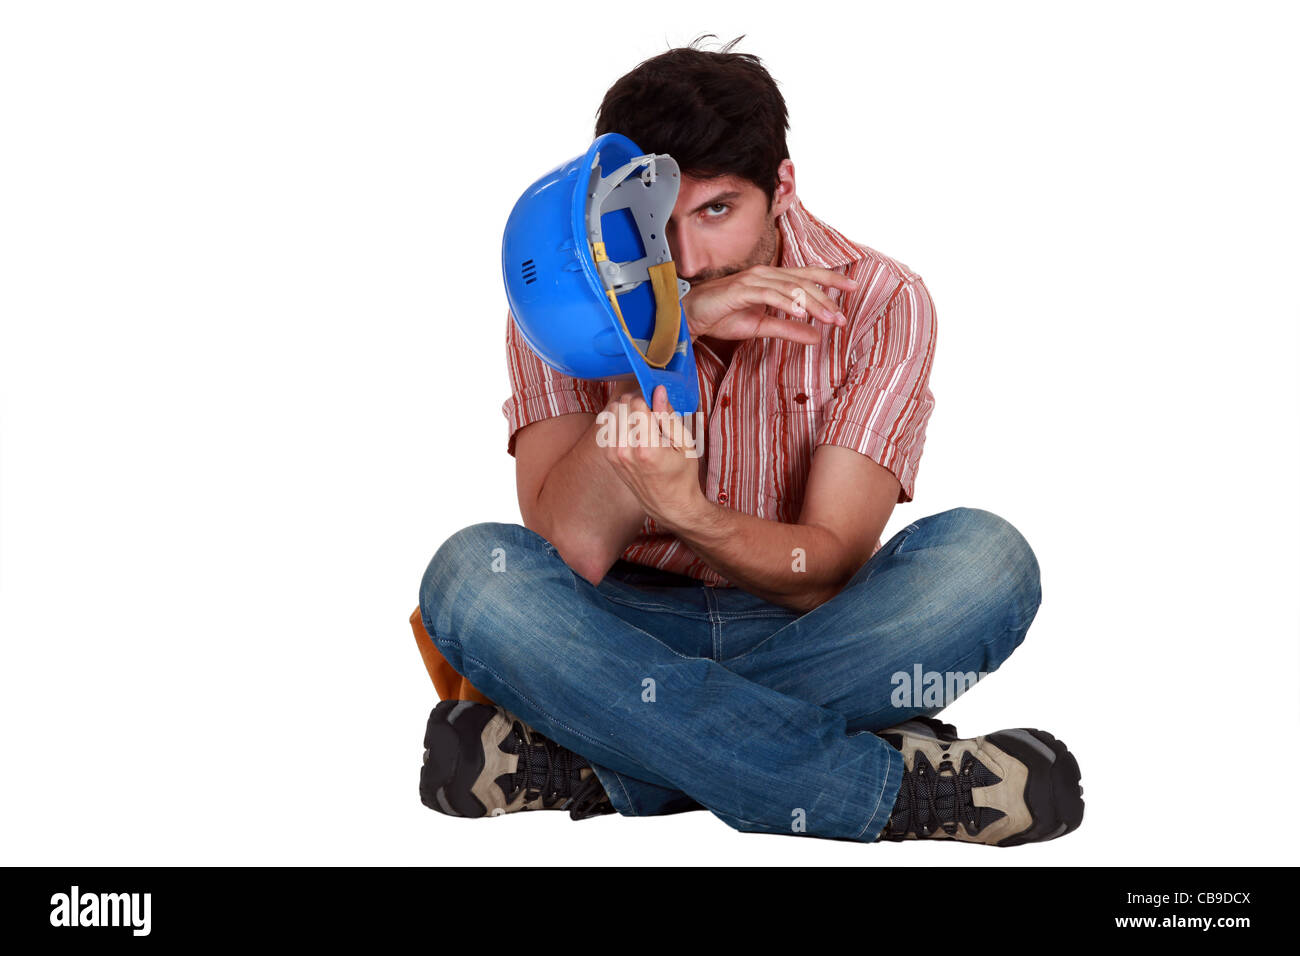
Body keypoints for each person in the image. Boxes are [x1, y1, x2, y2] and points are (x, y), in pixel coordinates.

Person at [416, 35, 1084, 845]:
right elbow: (572, 549)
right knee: (473, 578)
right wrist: (668, 336)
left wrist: (691, 514)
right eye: (656, 224)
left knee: (987, 563)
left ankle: (590, 758)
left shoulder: (882, 300)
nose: (690, 257)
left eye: (719, 210)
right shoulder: (565, 299)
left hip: (811, 632)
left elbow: (823, 568)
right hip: (617, 626)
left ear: (783, 188)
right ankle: (898, 791)